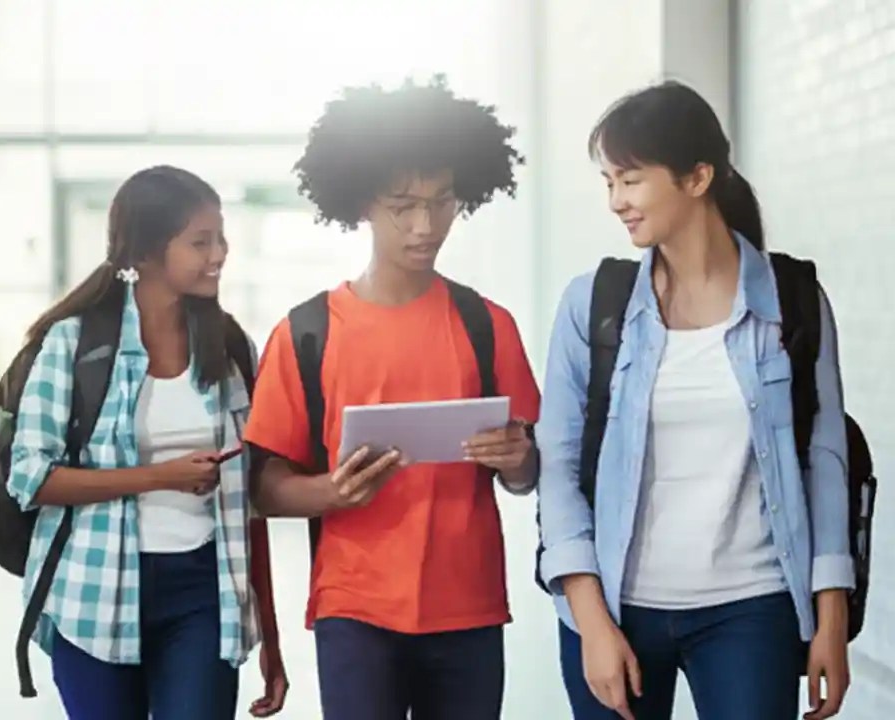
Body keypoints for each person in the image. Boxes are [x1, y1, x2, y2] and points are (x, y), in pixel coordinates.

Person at [536, 81, 852, 720]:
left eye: (630, 180)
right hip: (617, 609)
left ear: (697, 176)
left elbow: (827, 462)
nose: (616, 201)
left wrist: (831, 615)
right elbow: (558, 467)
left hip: (753, 608)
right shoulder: (592, 305)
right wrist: (590, 621)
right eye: (608, 183)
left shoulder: (792, 302)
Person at [243, 76, 540, 719]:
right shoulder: (306, 334)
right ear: (360, 203)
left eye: (442, 202)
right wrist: (331, 493)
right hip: (355, 607)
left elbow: (527, 473)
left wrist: (516, 459)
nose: (425, 225)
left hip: (468, 606)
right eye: (402, 205)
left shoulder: (489, 325)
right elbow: (264, 488)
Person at [7, 165, 288, 719]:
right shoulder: (73, 342)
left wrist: (272, 640)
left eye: (221, 238)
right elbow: (31, 477)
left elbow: (248, 505)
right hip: (92, 593)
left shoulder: (231, 348)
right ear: (146, 253)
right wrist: (160, 477)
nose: (219, 254)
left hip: (203, 593)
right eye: (200, 242)